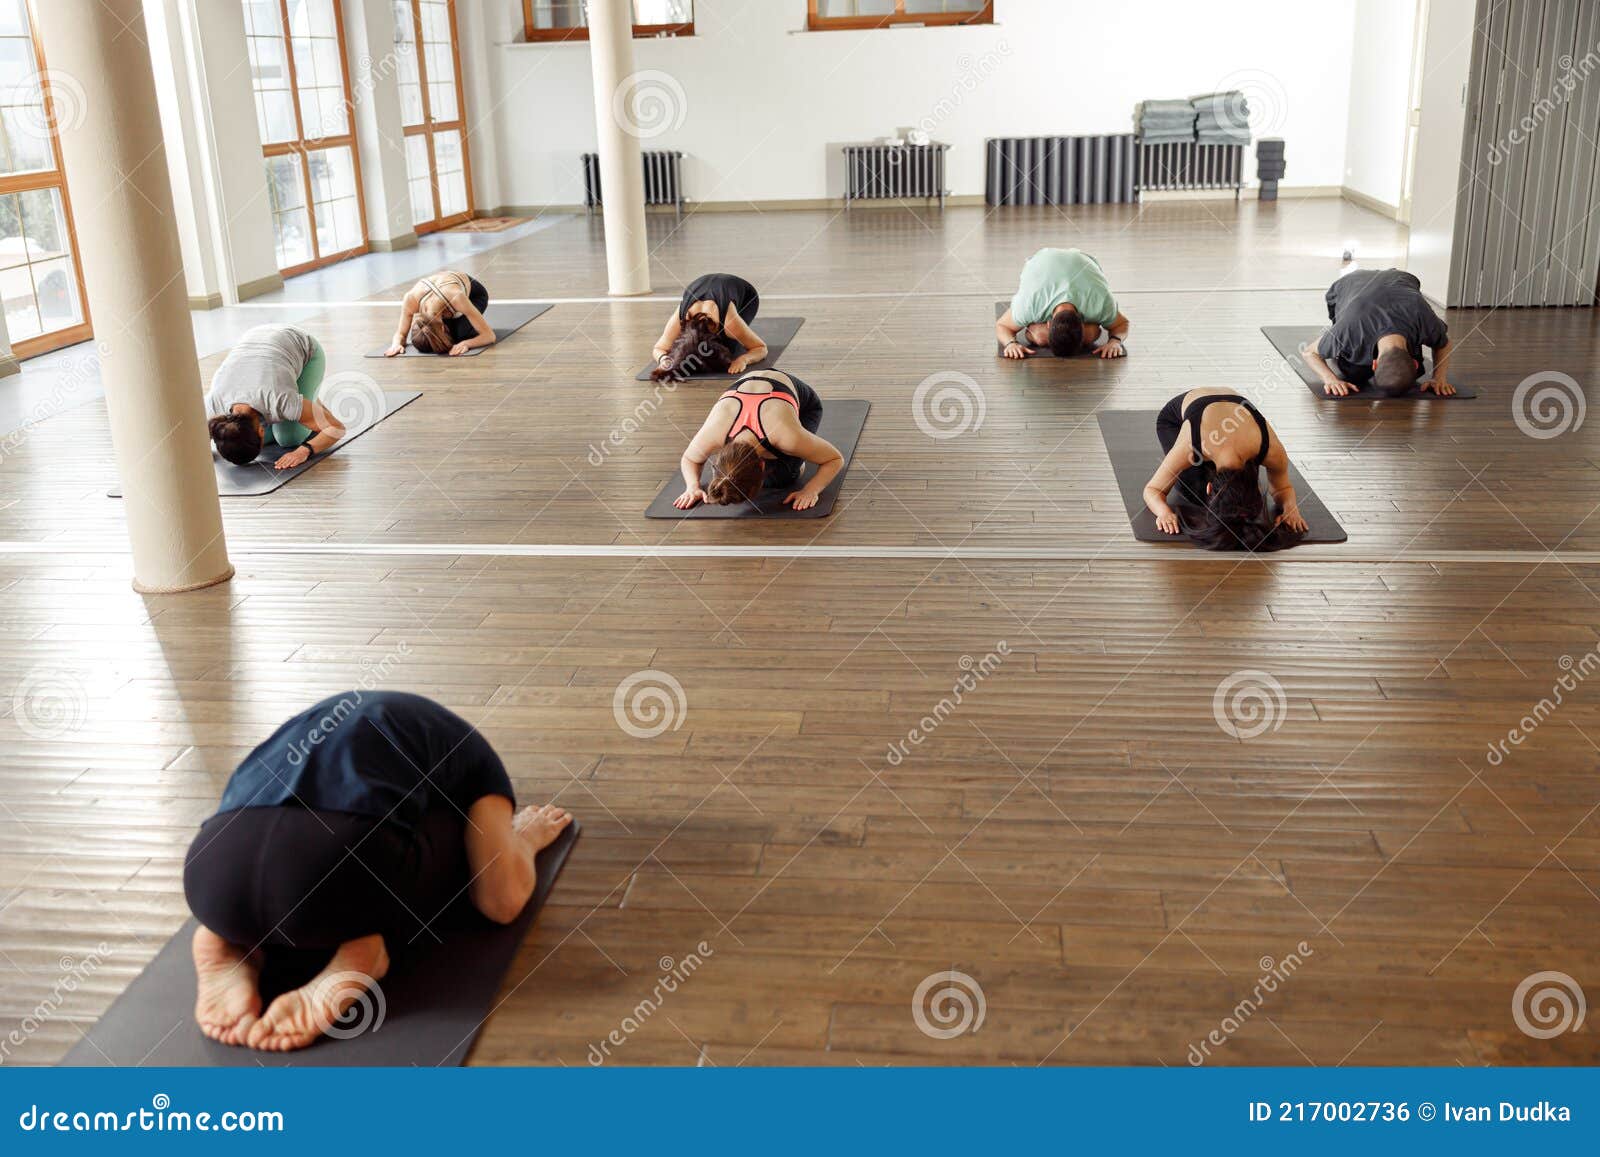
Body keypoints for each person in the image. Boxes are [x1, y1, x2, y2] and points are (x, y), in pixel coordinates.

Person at [182, 690, 574, 1052]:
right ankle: (361, 950)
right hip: (331, 873)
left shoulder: (302, 729)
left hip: (211, 873)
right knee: (466, 833)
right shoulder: (473, 753)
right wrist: (523, 838)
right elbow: (501, 902)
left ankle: (225, 937)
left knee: (347, 841)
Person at [1143, 389, 1307, 552]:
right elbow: (1153, 489)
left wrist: (1291, 509)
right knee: (1193, 489)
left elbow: (1282, 488)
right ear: (1209, 487)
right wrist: (1163, 512)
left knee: (1239, 501)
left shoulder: (1270, 448)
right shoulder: (1191, 448)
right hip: (1175, 419)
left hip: (1229, 408)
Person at [673, 369, 842, 512]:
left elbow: (835, 459)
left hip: (804, 404)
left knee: (782, 478)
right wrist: (692, 486)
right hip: (753, 389)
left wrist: (811, 490)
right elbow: (689, 458)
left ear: (762, 465)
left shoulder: (788, 437)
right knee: (740, 479)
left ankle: (796, 461)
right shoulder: (714, 433)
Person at [206, 324, 344, 470]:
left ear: (261, 431)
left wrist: (304, 450)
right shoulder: (213, 404)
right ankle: (306, 406)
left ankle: (308, 401)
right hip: (257, 338)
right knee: (239, 437)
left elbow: (336, 428)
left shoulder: (278, 398)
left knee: (289, 438)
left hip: (301, 346)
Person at [1302, 267, 1454, 396]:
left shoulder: (1423, 316)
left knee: (1395, 375)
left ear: (1374, 365)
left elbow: (1443, 344)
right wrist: (1330, 379)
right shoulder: (1349, 330)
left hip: (1399, 278)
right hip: (1349, 283)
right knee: (1355, 373)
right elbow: (1309, 353)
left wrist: (1438, 378)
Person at [996, 247, 1129, 359]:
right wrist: (1010, 343)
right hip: (1041, 260)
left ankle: (1079, 336)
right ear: (1048, 323)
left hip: (1083, 261)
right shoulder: (1030, 303)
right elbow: (1002, 325)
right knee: (1041, 337)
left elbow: (1122, 323)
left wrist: (1115, 342)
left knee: (1082, 337)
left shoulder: (1100, 301)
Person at [652, 273, 767, 380]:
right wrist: (664, 359)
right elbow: (658, 348)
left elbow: (761, 348)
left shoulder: (729, 324)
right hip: (704, 285)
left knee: (733, 350)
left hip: (746, 294)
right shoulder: (682, 316)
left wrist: (744, 359)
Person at [385, 270, 494, 357]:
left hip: (474, 295)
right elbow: (401, 333)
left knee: (459, 335)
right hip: (442, 296)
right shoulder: (410, 299)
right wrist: (396, 343)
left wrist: (466, 343)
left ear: (443, 328)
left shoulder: (456, 297)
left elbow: (489, 336)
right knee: (436, 337)